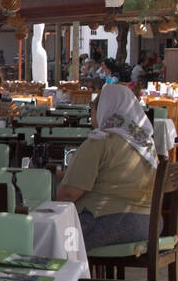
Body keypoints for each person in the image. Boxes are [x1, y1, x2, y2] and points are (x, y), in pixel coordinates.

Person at [55, 83, 159, 249]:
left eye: (94, 106)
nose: (92, 112)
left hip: (107, 224)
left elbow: (67, 194)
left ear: (106, 108)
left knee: (46, 235)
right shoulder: (145, 143)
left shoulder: (99, 142)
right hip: (148, 224)